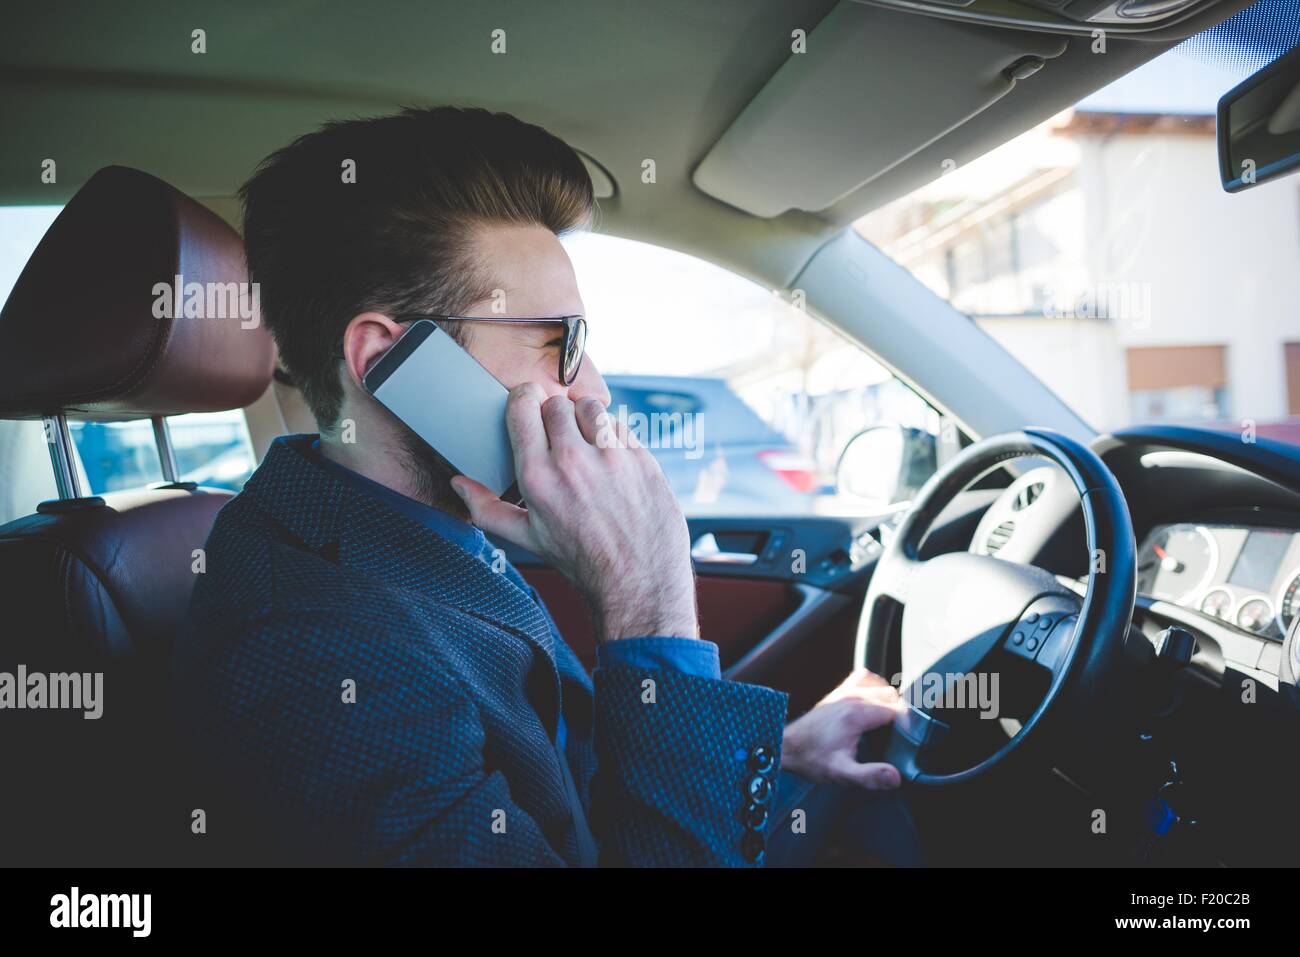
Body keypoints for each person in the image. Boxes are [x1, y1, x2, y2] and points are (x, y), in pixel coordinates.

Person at [174, 106, 920, 866]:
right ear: (387, 361)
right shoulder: (320, 662)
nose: (592, 386)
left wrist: (780, 750)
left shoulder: (417, 522)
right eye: (556, 341)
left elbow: (560, 770)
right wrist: (649, 599)